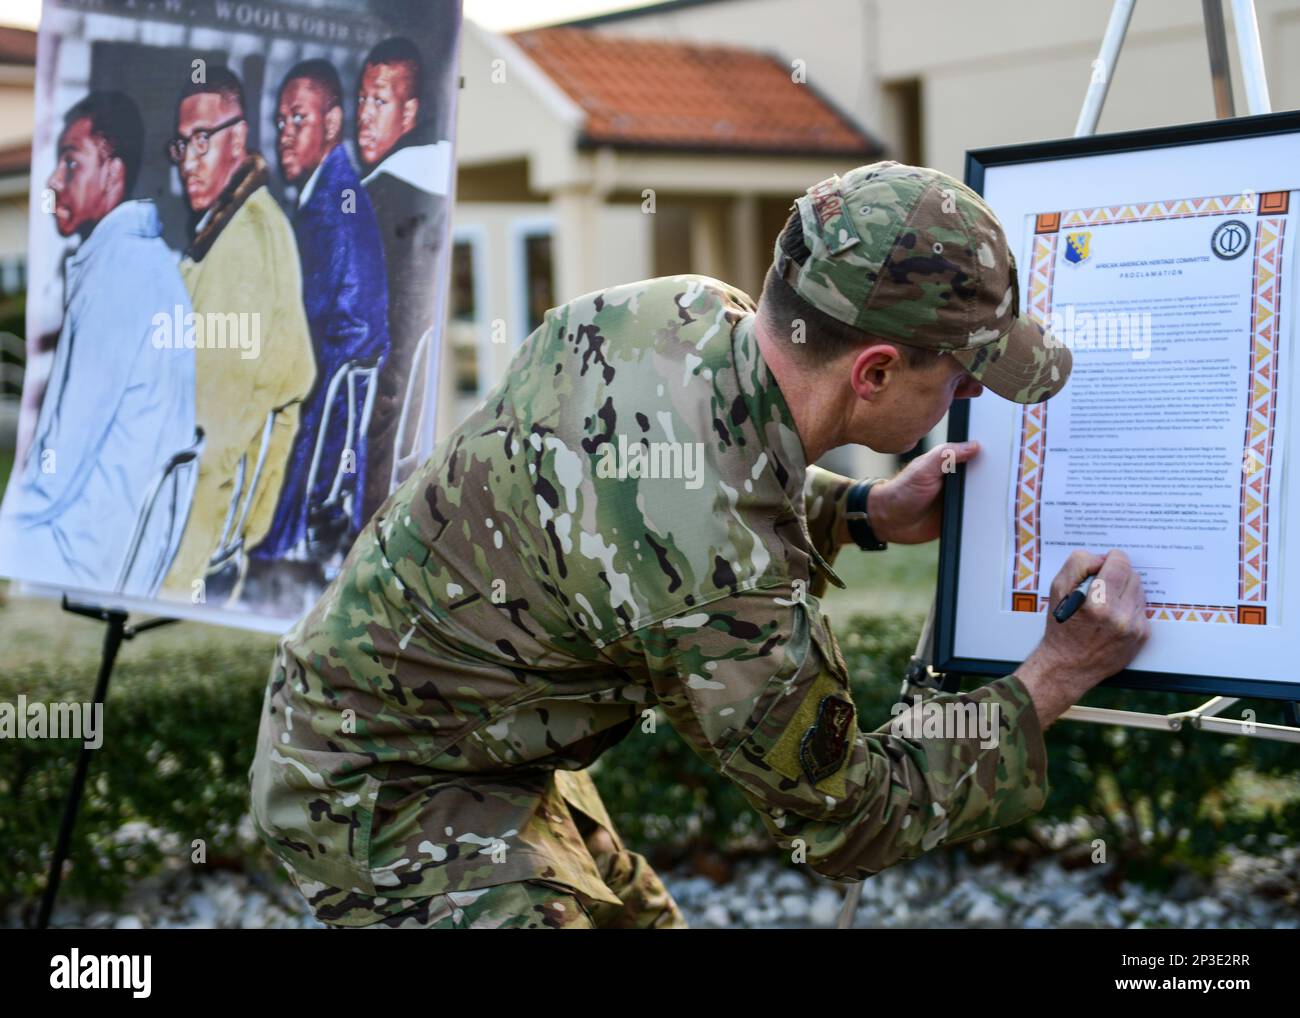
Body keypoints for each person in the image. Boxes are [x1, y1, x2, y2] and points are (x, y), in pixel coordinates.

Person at [249, 161, 1150, 929]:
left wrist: (864, 510)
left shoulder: (678, 313)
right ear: (873, 371)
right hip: (375, 785)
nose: (971, 396)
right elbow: (855, 815)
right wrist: (1057, 674)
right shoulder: (719, 583)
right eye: (961, 374)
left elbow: (655, 482)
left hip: (453, 723)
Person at [0, 92, 195, 596]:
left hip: (92, 542)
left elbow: (66, 455)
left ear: (112, 173)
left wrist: (10, 522)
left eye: (71, 163)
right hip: (119, 530)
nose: (51, 181)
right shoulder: (140, 259)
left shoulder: (119, 275)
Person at [160, 67, 315, 602]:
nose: (189, 160)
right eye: (181, 144)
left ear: (240, 138)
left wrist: (177, 581)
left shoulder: (244, 240)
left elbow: (216, 444)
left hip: (214, 546)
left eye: (203, 139)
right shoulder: (226, 227)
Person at [251, 59, 389, 566]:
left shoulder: (333, 206)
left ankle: (264, 547)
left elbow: (327, 323)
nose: (285, 134)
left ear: (331, 124)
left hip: (322, 401)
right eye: (281, 122)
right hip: (328, 389)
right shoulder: (332, 193)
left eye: (299, 120)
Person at [354, 37, 454, 521]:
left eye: (380, 101)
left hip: (383, 430)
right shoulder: (443, 180)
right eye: (361, 101)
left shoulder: (379, 197)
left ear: (411, 112)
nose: (364, 116)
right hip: (427, 437)